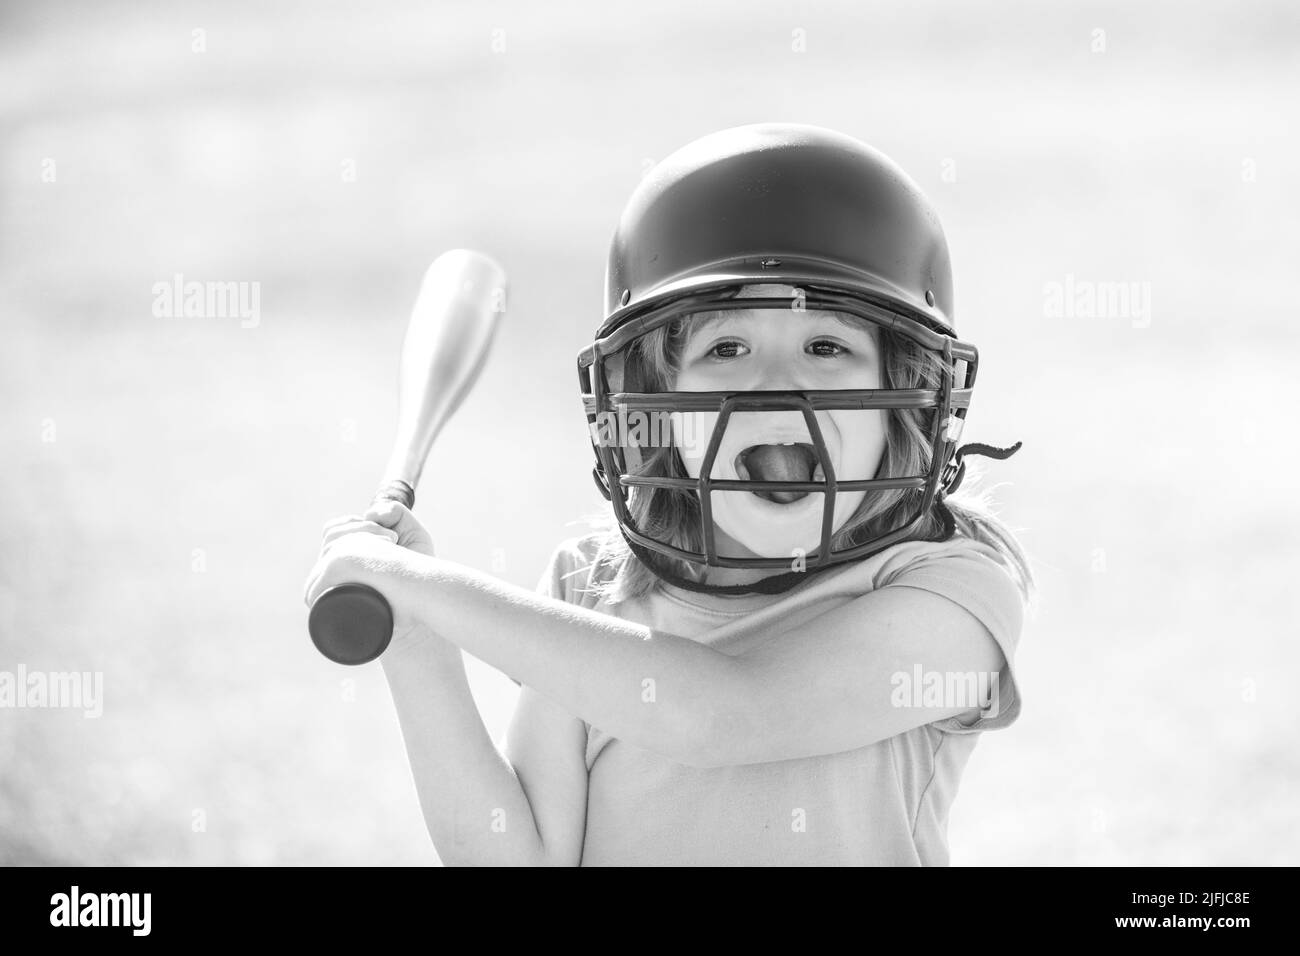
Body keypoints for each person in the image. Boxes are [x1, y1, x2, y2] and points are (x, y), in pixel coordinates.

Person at [304, 123, 1035, 866]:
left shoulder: (954, 591)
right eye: (725, 349)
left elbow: (729, 715)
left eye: (827, 347)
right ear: (657, 401)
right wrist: (414, 632)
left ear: (908, 400)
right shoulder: (593, 590)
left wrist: (425, 585)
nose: (776, 385)